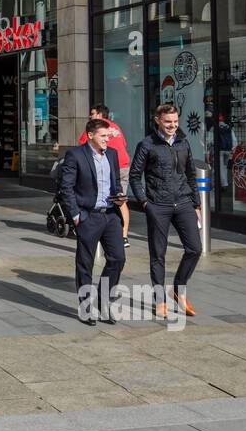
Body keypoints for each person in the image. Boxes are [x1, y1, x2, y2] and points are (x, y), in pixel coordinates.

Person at [129, 103, 202, 319]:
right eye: (168, 121)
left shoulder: (183, 142)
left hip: (183, 202)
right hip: (158, 205)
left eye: (175, 122)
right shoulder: (147, 144)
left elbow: (190, 174)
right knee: (158, 254)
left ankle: (178, 289)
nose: (172, 125)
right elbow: (135, 176)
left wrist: (196, 203)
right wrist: (144, 203)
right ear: (158, 120)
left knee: (194, 249)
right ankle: (159, 300)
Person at [59, 118, 128, 326]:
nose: (108, 139)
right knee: (85, 263)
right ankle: (86, 308)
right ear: (91, 136)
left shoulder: (113, 155)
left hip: (110, 215)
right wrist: (77, 215)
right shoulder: (76, 155)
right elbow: (66, 187)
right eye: (103, 136)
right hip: (88, 215)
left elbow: (115, 183)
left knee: (118, 258)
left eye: (109, 136)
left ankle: (104, 301)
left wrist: (119, 196)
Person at [78, 104, 133, 248]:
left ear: (100, 115)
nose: (91, 116)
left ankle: (100, 231)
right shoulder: (116, 127)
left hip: (109, 166)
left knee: (101, 195)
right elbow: (124, 144)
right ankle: (124, 235)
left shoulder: (94, 129)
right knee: (120, 199)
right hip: (124, 164)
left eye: (93, 113)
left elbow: (83, 147)